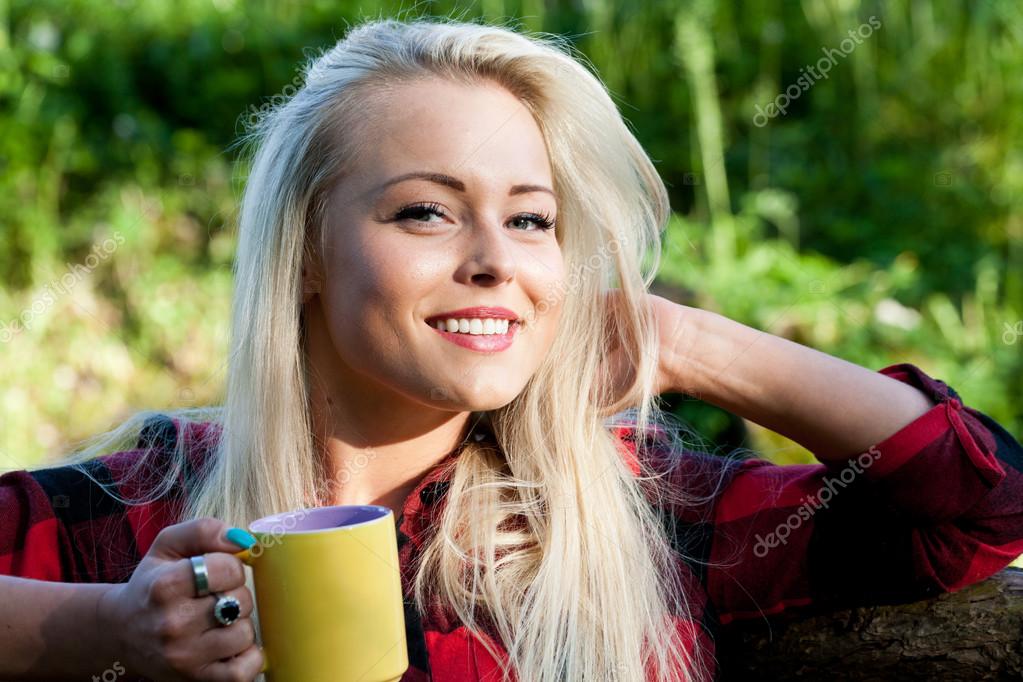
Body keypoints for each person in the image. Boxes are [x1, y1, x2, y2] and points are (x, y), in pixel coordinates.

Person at [2, 15, 1022, 682]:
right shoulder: (151, 509)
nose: (496, 261)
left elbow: (981, 506)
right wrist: (113, 630)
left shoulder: (637, 511)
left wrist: (684, 338)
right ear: (305, 251)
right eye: (425, 213)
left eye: (532, 221)